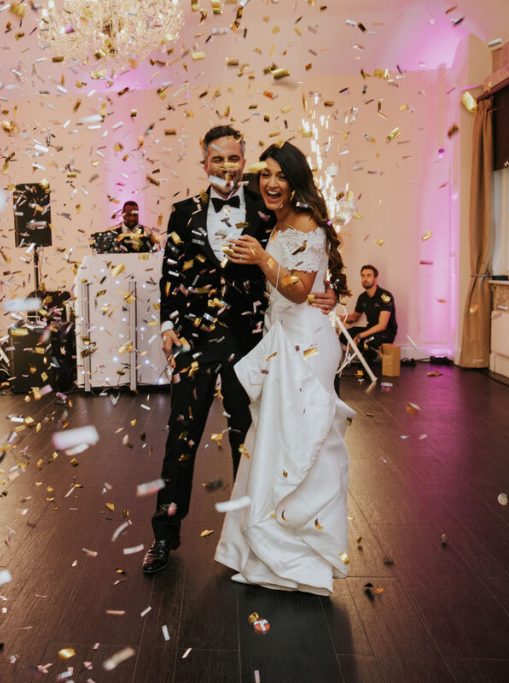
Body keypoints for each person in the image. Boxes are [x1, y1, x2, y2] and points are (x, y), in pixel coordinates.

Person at [142, 126, 336, 574]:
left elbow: (309, 253)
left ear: (242, 160)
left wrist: (331, 293)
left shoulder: (269, 210)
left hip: (250, 345)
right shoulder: (181, 213)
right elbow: (170, 278)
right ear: (204, 161)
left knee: (247, 443)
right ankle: (164, 537)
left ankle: (250, 538)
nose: (227, 167)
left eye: (235, 159)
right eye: (218, 159)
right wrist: (169, 326)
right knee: (181, 440)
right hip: (192, 342)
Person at [215, 141, 354, 596]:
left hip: (305, 344)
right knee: (271, 441)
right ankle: (263, 553)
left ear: (295, 180)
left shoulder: (306, 221)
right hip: (280, 337)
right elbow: (307, 277)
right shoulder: (272, 220)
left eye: (280, 175)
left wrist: (262, 258)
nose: (271, 183)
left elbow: (298, 290)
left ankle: (300, 557)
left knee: (299, 444)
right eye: (265, 174)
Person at [342, 264, 397, 363]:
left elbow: (382, 326)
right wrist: (338, 318)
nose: (365, 278)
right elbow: (354, 317)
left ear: (375, 278)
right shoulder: (362, 297)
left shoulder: (385, 296)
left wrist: (360, 335)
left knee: (364, 341)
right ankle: (371, 355)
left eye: (368, 275)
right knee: (344, 335)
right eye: (363, 275)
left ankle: (372, 357)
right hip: (370, 329)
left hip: (386, 333)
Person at [90, 200, 158, 253]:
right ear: (123, 214)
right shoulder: (112, 232)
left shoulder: (147, 232)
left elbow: (156, 252)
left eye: (135, 215)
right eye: (129, 215)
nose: (132, 218)